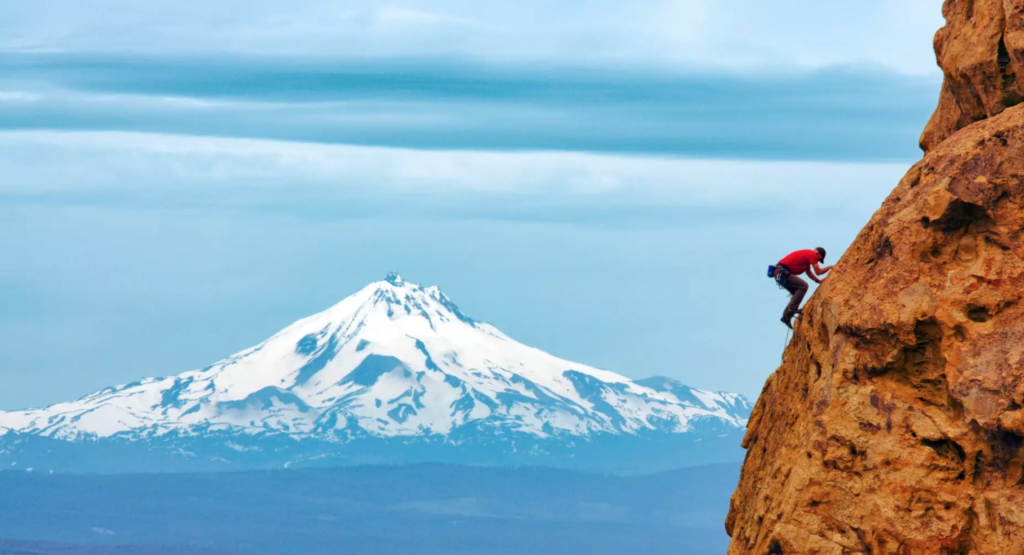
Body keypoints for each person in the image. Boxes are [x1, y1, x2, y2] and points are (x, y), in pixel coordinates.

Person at [776, 247, 832, 328]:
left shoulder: (806, 259)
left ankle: (786, 317)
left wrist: (818, 281)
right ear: (817, 253)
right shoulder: (812, 254)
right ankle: (790, 310)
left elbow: (808, 272)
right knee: (803, 286)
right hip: (782, 271)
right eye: (819, 259)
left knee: (796, 291)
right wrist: (830, 267)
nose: (817, 261)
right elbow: (818, 272)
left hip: (779, 272)